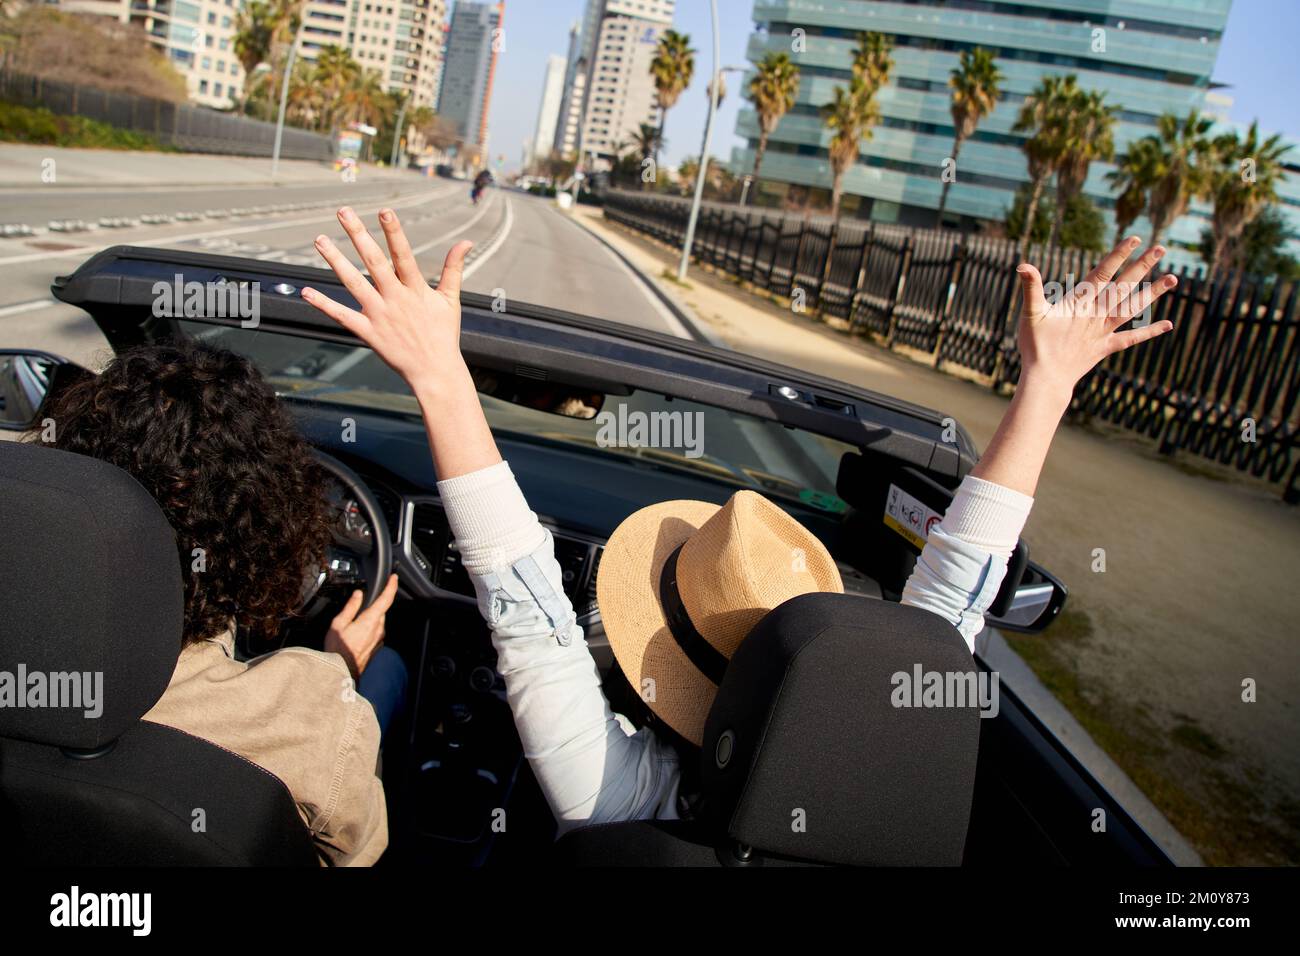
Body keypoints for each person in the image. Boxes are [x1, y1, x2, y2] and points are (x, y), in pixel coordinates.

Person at [303, 206, 1177, 834]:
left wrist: (439, 375)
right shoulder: (883, 781)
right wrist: (1049, 384)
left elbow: (525, 609)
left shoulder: (615, 801)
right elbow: (957, 598)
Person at [31, 342, 406, 865]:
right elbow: (358, 854)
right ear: (267, 526)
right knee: (388, 671)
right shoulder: (314, 711)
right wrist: (342, 669)